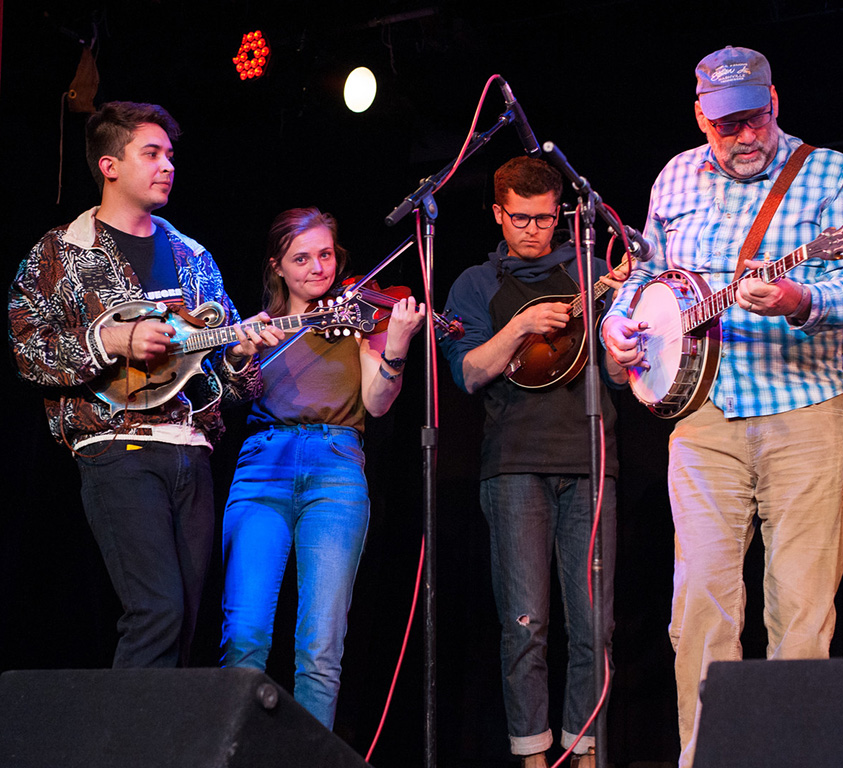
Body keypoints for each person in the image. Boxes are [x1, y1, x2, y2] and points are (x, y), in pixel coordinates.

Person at [601, 46, 843, 768]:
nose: (745, 136)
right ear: (701, 117)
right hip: (702, 421)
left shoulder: (828, 174)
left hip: (808, 413)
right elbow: (646, 278)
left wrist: (799, 297)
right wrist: (621, 322)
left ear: (775, 102)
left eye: (755, 118)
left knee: (802, 612)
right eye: (727, 125)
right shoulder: (673, 177)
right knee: (699, 610)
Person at [8, 102, 282, 668]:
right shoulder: (61, 254)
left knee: (182, 621)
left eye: (171, 156)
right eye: (151, 154)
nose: (167, 166)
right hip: (115, 448)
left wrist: (237, 355)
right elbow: (28, 355)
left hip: (191, 451)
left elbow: (231, 388)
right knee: (156, 610)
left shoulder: (193, 257)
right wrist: (112, 343)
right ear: (109, 165)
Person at [439, 156, 627, 768]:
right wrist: (520, 326)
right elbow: (468, 373)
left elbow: (622, 371)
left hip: (590, 461)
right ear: (498, 213)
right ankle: (531, 755)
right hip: (514, 466)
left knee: (594, 627)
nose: (535, 230)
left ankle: (586, 749)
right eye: (521, 218)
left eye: (546, 218)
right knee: (526, 626)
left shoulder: (593, 271)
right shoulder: (474, 284)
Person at [220, 207, 426, 729]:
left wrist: (396, 346)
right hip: (263, 468)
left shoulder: (357, 324)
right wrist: (241, 355)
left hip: (336, 472)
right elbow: (227, 400)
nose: (318, 268)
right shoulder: (261, 328)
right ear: (278, 268)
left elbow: (377, 404)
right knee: (244, 635)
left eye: (326, 255)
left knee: (320, 648)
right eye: (302, 258)